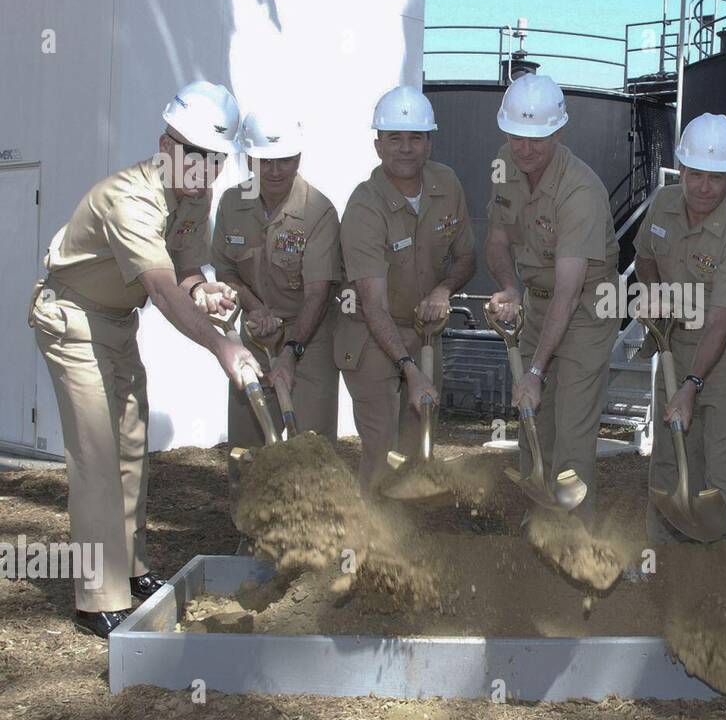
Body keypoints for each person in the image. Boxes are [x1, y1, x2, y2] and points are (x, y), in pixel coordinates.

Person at [28, 81, 259, 637]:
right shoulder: (128, 198)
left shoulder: (195, 192)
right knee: (97, 454)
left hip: (116, 322)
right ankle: (95, 597)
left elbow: (183, 269)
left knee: (131, 446)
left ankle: (129, 570)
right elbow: (161, 289)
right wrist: (224, 345)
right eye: (193, 153)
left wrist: (204, 289)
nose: (203, 168)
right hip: (73, 320)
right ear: (166, 144)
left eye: (213, 158)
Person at [484, 73, 619, 518]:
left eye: (537, 139)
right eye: (517, 136)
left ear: (558, 131)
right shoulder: (504, 162)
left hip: (583, 308)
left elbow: (568, 291)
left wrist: (536, 370)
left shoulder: (580, 191)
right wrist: (509, 286)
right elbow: (499, 236)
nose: (525, 148)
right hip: (537, 304)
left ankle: (575, 538)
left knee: (573, 430)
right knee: (532, 424)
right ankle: (538, 526)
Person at [336, 85, 475, 492]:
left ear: (430, 142)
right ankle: (369, 547)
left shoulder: (447, 184)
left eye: (416, 137)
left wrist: (443, 290)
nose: (405, 148)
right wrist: (411, 371)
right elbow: (372, 305)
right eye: (394, 138)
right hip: (368, 333)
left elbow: (467, 258)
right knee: (381, 452)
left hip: (424, 331)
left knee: (417, 448)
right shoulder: (364, 206)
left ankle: (408, 542)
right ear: (377, 144)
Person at [634, 113, 726, 541]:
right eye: (694, 174)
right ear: (682, 168)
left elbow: (722, 322)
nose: (702, 187)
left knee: (723, 474)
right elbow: (645, 258)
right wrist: (653, 293)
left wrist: (691, 385)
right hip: (674, 344)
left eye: (716, 177)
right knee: (671, 461)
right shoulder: (663, 204)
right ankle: (664, 569)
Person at [212, 110, 341, 507]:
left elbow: (319, 292)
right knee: (249, 442)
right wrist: (253, 308)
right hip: (255, 329)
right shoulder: (233, 204)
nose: (274, 169)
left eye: (284, 159)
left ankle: (313, 531)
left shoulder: (318, 210)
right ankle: (250, 530)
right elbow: (225, 269)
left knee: (310, 441)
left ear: (298, 158)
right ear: (249, 159)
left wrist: (290, 351)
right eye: (264, 160)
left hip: (309, 334)